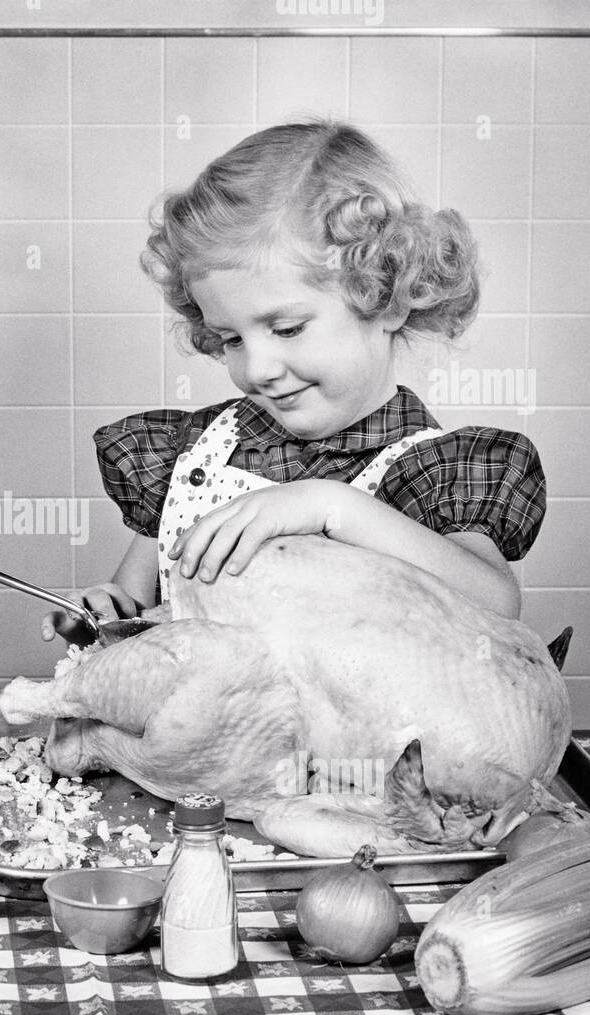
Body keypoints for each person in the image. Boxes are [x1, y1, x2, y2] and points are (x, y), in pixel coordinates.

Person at [45, 121, 545, 642]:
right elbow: (136, 614)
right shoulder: (195, 455)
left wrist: (333, 506)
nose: (256, 370)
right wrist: (102, 618)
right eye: (230, 339)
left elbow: (495, 607)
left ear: (387, 300)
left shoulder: (434, 472)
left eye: (286, 328)